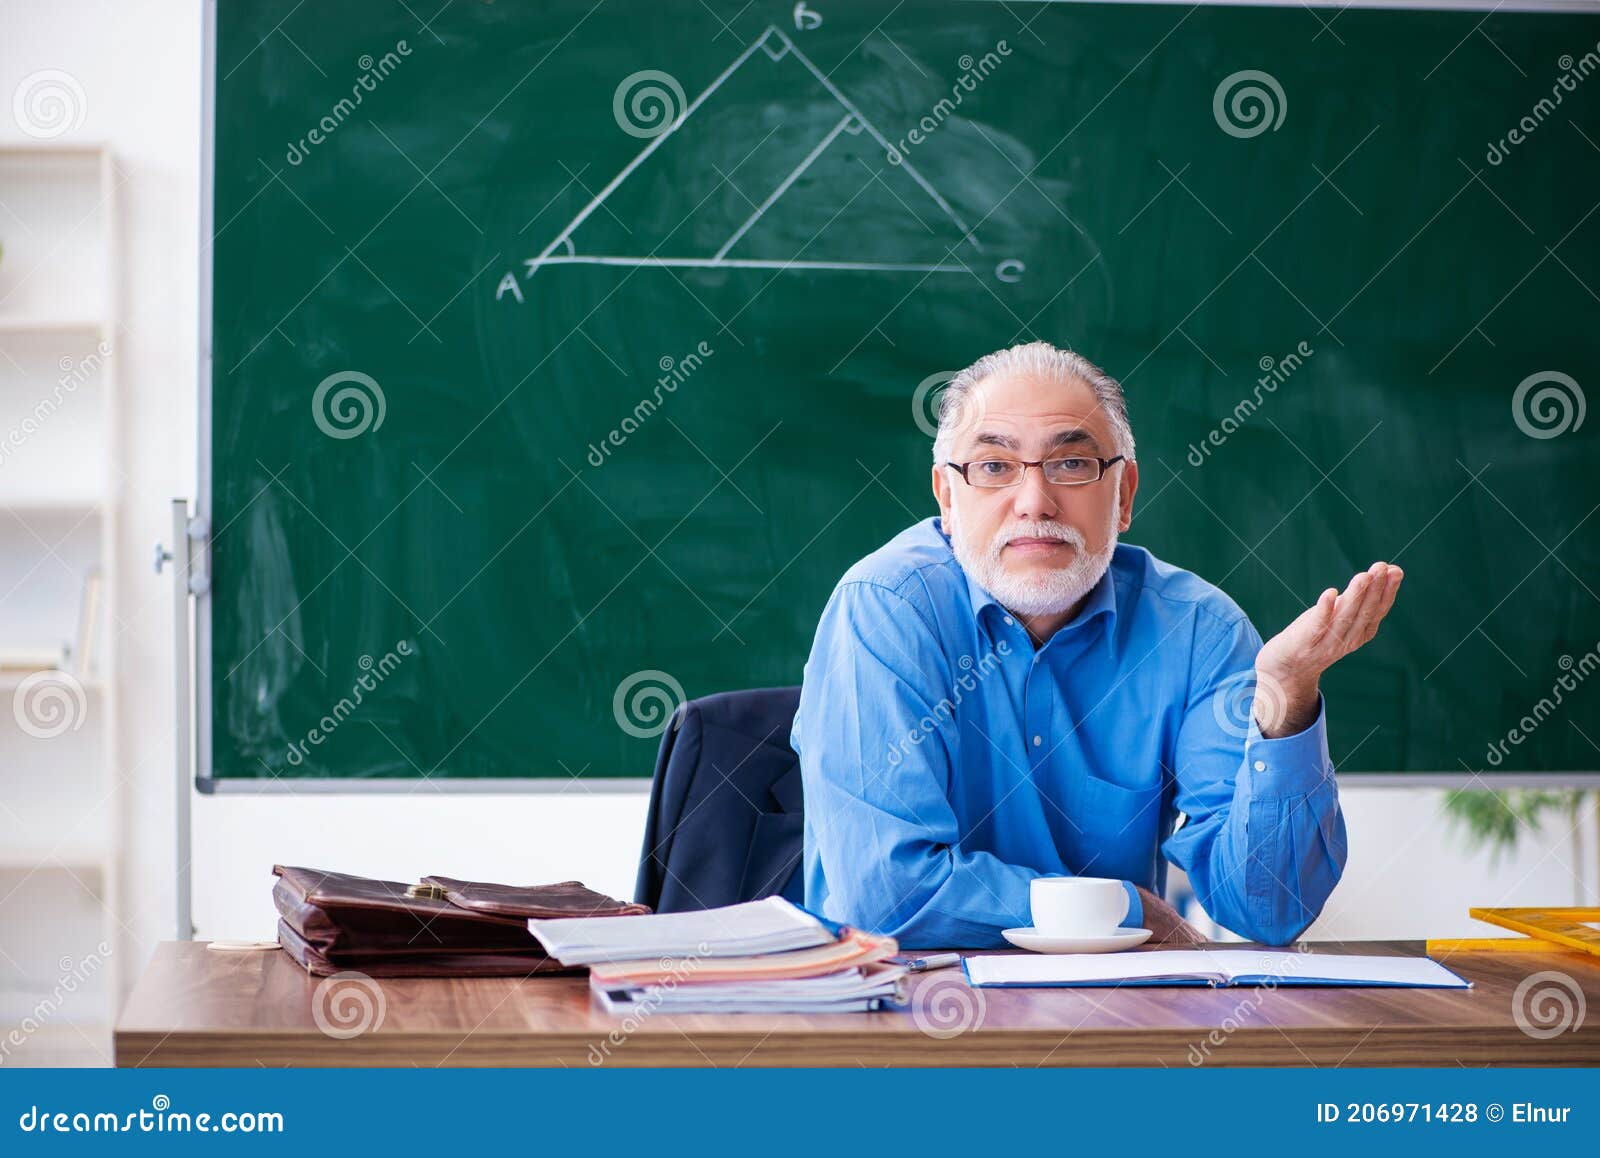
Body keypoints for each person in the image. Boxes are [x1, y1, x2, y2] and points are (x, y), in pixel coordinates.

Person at [791, 342, 1403, 948]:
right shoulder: (885, 608)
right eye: (994, 467)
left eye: (1072, 464)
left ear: (1125, 494)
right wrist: (1120, 905)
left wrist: (1288, 699)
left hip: (1113, 1024)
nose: (1034, 503)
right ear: (948, 498)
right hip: (898, 1023)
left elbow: (1270, 908)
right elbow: (885, 895)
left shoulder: (1198, 632)